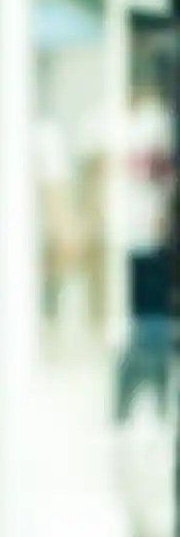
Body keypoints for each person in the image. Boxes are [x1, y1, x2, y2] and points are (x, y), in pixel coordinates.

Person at [113, 84, 175, 423]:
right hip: (144, 242)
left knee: (153, 326)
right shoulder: (147, 125)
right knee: (149, 326)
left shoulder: (153, 124)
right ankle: (149, 401)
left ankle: (153, 400)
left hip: (152, 243)